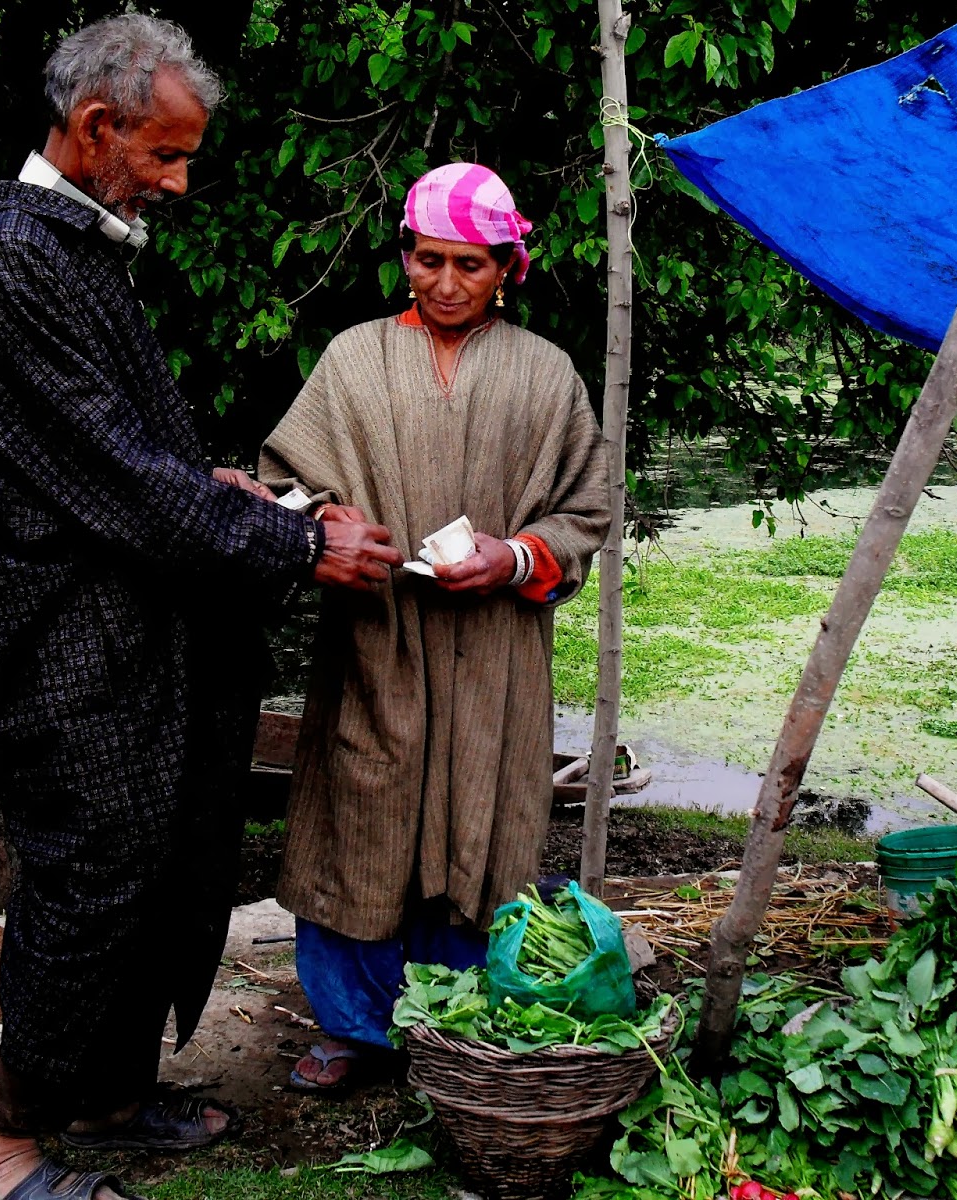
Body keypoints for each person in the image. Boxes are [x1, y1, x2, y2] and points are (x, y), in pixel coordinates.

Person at [0, 16, 402, 1200]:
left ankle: (104, 1093)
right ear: (96, 130)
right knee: (94, 883)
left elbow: (114, 457)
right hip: (66, 654)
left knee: (159, 872)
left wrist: (214, 487)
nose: (181, 183)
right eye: (167, 155)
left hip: (134, 644)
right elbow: (115, 481)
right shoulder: (12, 264)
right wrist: (297, 541)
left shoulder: (79, 248)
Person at [259, 162, 611, 1091]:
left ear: (507, 269)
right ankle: (352, 1027)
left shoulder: (545, 375)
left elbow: (585, 511)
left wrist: (517, 555)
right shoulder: (353, 359)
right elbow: (289, 478)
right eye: (427, 260)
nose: (446, 283)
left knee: (480, 823)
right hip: (374, 642)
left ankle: (454, 1022)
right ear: (404, 256)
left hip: (497, 650)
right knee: (357, 824)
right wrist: (325, 524)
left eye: (470, 265)